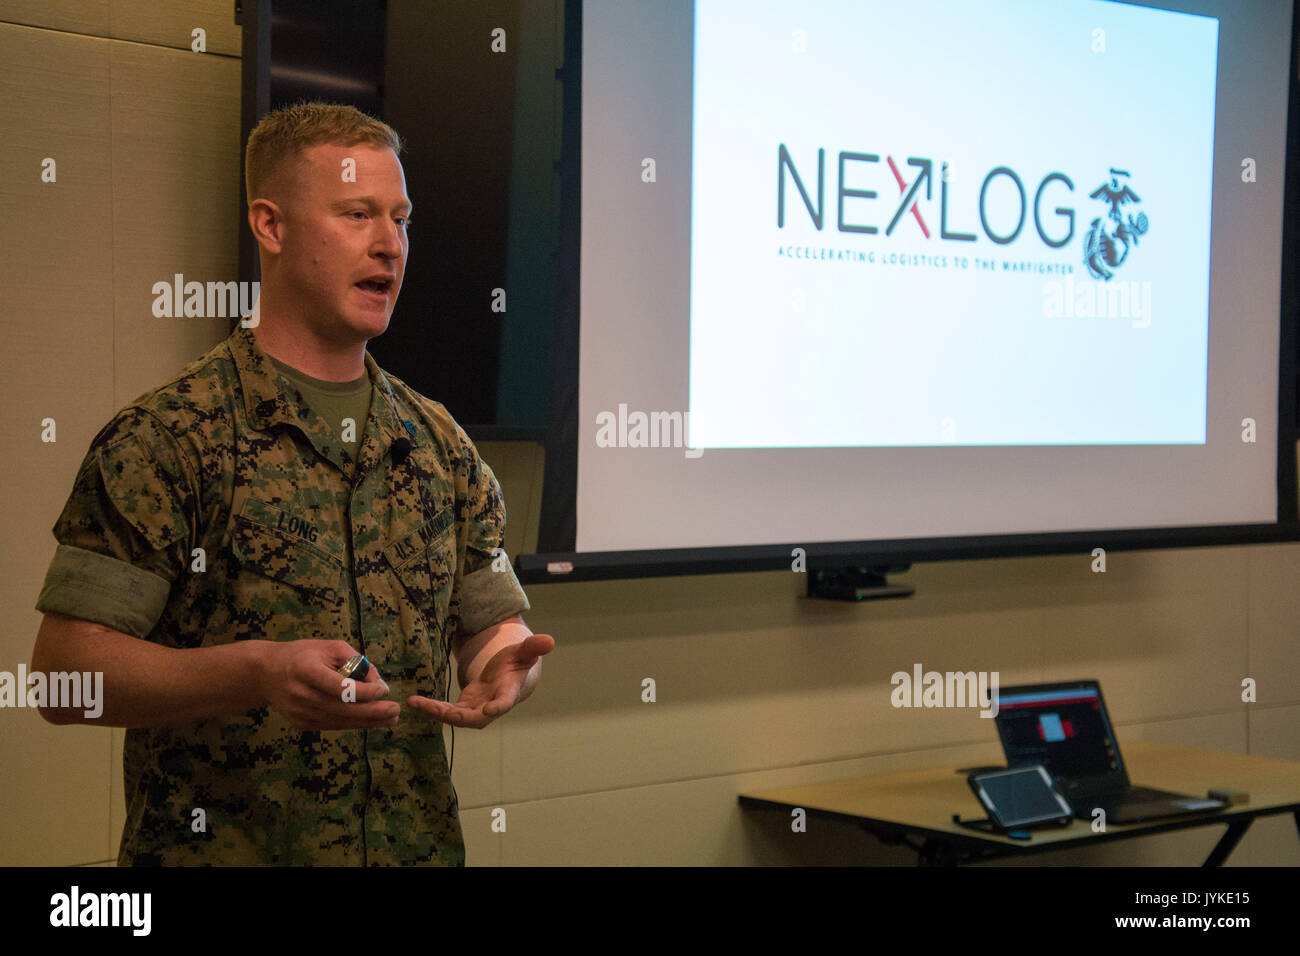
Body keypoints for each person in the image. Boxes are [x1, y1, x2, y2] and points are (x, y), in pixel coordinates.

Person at [30, 101, 554, 866]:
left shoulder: (438, 442)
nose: (390, 245)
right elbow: (63, 677)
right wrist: (257, 671)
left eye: (401, 219)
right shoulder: (171, 437)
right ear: (270, 227)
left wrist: (506, 666)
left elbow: (491, 626)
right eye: (356, 214)